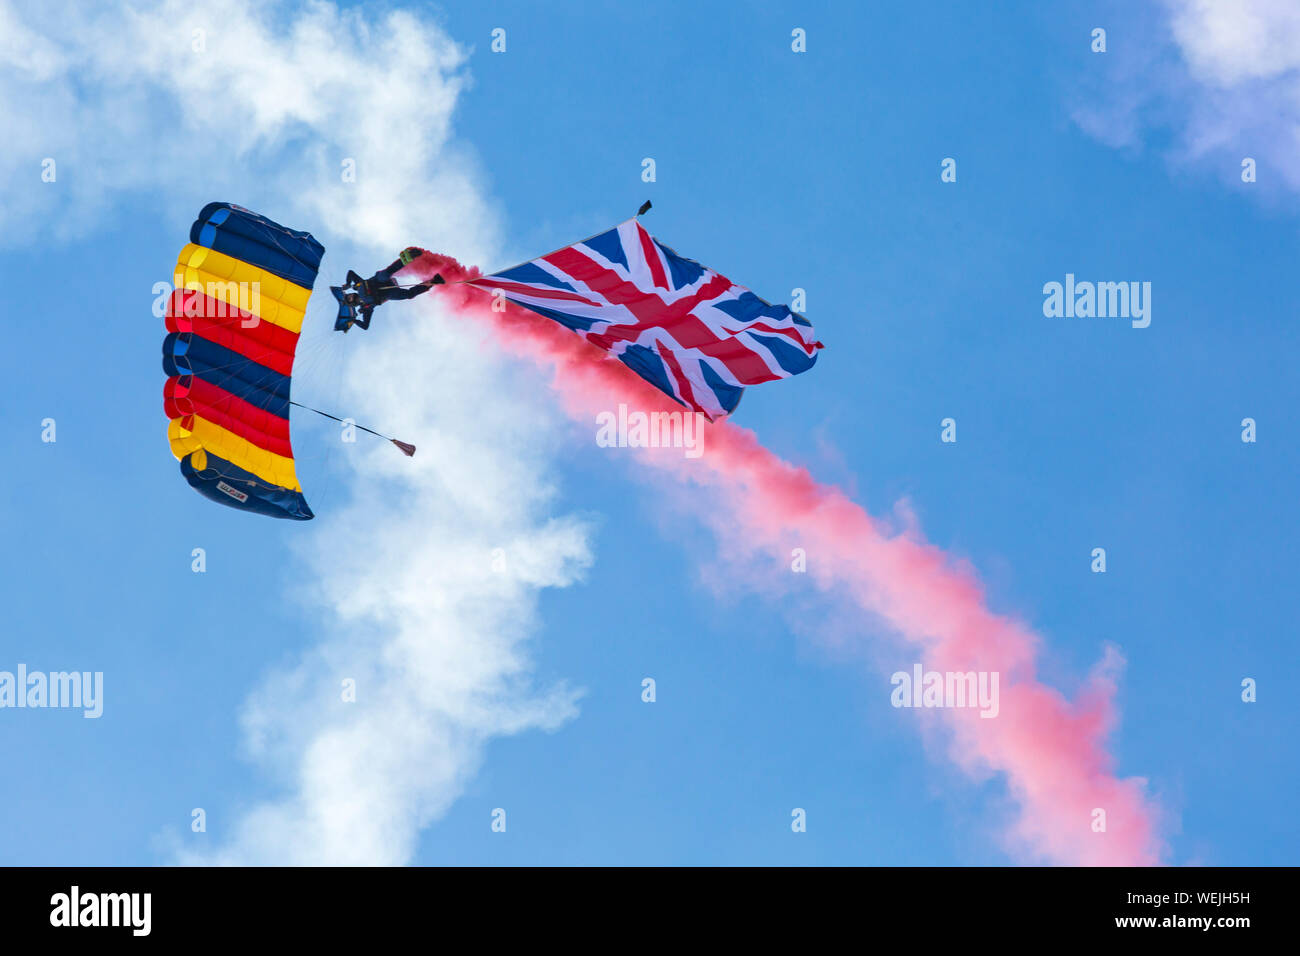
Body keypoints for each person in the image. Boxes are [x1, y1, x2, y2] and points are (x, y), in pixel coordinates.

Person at [334, 247, 445, 331]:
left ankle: (410, 256)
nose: (350, 295)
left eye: (348, 295)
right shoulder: (366, 308)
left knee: (386, 273)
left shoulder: (357, 286)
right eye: (349, 298)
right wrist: (354, 321)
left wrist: (348, 283)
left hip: (379, 281)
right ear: (352, 303)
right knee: (409, 295)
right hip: (388, 292)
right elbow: (365, 326)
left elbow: (350, 273)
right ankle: (433, 281)